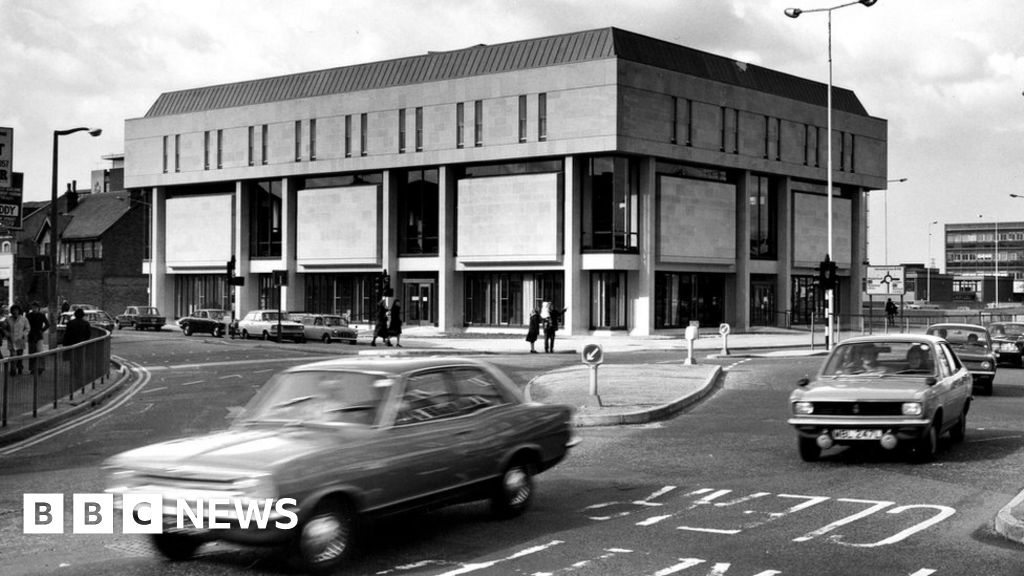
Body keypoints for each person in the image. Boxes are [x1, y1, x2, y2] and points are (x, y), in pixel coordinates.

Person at [26, 301, 51, 374]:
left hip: (38, 334)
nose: (34, 309)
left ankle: (40, 367)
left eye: (36, 307)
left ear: (38, 308)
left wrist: (42, 330)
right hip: (31, 335)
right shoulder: (28, 315)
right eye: (33, 307)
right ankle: (32, 368)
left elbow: (47, 324)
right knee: (32, 352)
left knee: (40, 351)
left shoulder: (41, 315)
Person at [5, 305, 30, 375]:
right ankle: (13, 370)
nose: (15, 311)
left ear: (19, 311)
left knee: (19, 356)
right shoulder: (8, 319)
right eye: (13, 310)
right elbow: (4, 328)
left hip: (20, 340)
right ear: (11, 311)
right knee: (13, 356)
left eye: (16, 310)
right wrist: (7, 334)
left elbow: (27, 328)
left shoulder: (24, 319)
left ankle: (20, 368)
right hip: (12, 339)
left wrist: (24, 334)